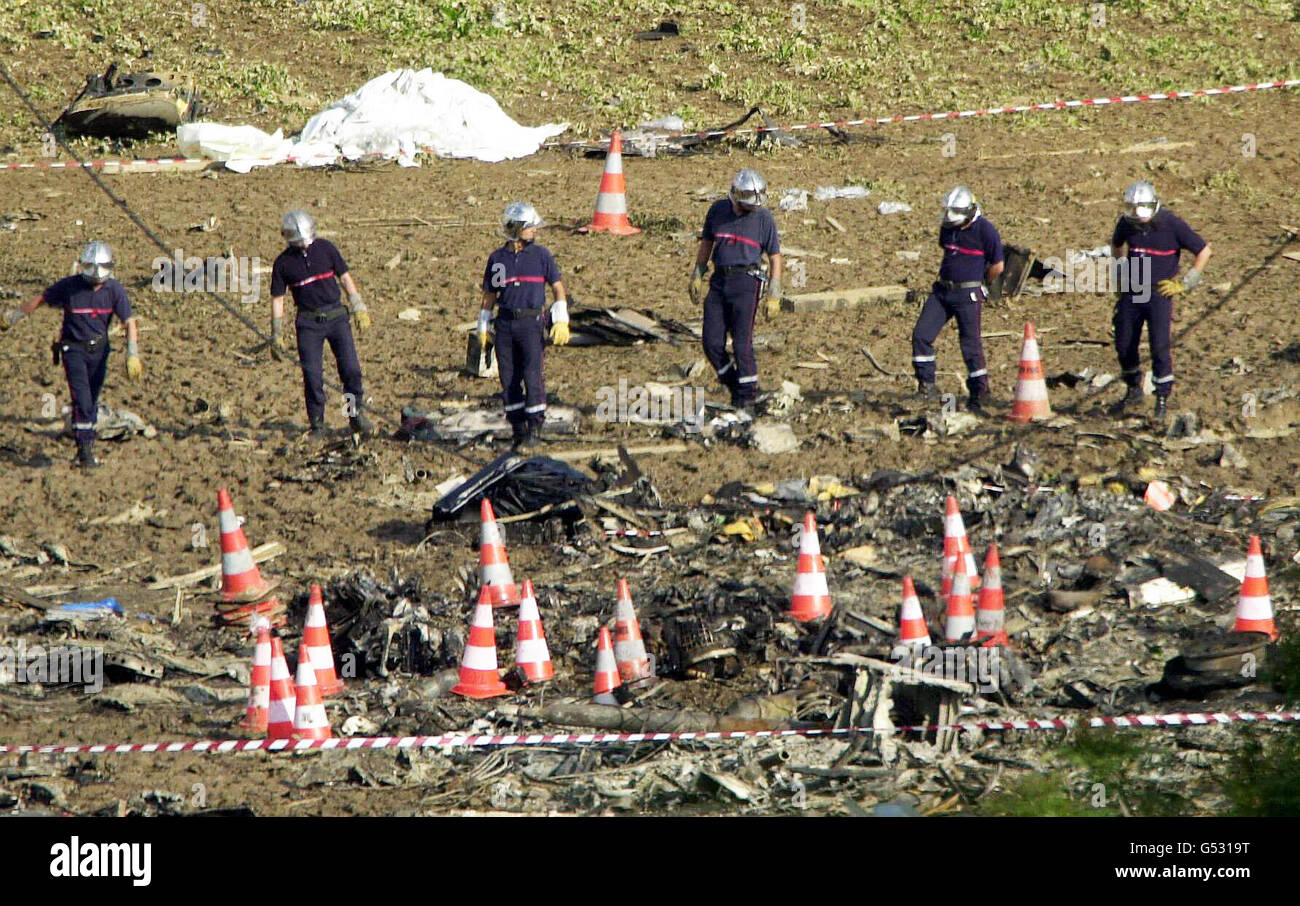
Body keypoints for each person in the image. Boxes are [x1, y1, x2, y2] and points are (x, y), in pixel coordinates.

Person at [1, 241, 143, 467]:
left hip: (100, 352)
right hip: (73, 350)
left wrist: (132, 353)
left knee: (91, 401)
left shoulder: (114, 290)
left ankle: (84, 436)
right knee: (82, 400)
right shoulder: (70, 286)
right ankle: (85, 452)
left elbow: (129, 321)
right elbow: (42, 299)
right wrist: (13, 316)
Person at [1104, 180, 1211, 420]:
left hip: (1159, 293)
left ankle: (1161, 398)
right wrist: (1120, 273)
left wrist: (1185, 283)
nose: (1138, 217)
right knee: (1124, 341)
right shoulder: (1127, 222)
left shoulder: (1172, 224)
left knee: (1159, 345)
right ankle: (1133, 388)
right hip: (1132, 290)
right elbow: (1117, 245)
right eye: (1132, 210)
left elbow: (1204, 251)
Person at [269, 210, 372, 436]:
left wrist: (358, 306)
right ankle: (317, 424)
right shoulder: (283, 263)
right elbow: (278, 299)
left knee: (351, 370)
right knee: (313, 376)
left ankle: (355, 414)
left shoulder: (326, 248)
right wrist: (276, 333)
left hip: (337, 318)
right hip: (308, 324)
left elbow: (344, 277)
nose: (305, 245)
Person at [477, 201, 570, 449]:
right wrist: (483, 324)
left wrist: (561, 317)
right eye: (530, 226)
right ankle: (518, 428)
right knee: (509, 378)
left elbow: (557, 286)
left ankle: (535, 428)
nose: (535, 230)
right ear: (516, 228)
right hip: (505, 325)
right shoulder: (497, 260)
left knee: (532, 376)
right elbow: (490, 294)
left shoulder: (541, 256)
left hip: (531, 324)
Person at [690, 168, 782, 410]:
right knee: (711, 342)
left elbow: (775, 257)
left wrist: (774, 293)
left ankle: (749, 394)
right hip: (720, 280)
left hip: (747, 283)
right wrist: (698, 273)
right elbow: (707, 243)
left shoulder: (764, 219)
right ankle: (736, 386)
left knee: (742, 344)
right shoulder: (718, 211)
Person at [911, 186, 1004, 413]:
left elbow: (998, 265)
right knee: (921, 335)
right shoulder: (948, 227)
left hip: (967, 294)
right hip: (942, 291)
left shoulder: (986, 230)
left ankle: (980, 393)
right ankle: (926, 385)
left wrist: (982, 283)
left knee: (970, 344)